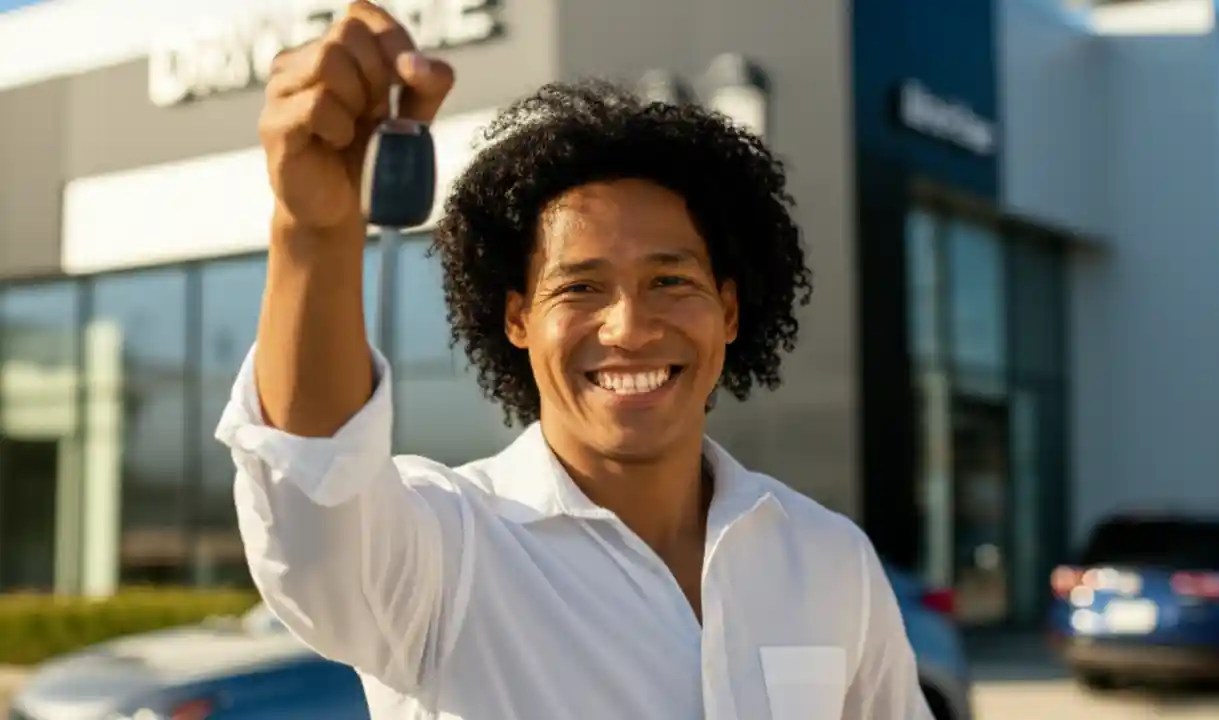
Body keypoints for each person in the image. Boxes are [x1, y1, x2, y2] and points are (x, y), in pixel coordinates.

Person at [216, 2, 933, 718]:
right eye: (581, 287)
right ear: (518, 318)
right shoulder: (446, 548)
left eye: (670, 281)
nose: (628, 327)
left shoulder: (829, 558)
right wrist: (313, 230)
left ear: (731, 310)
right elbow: (313, 504)